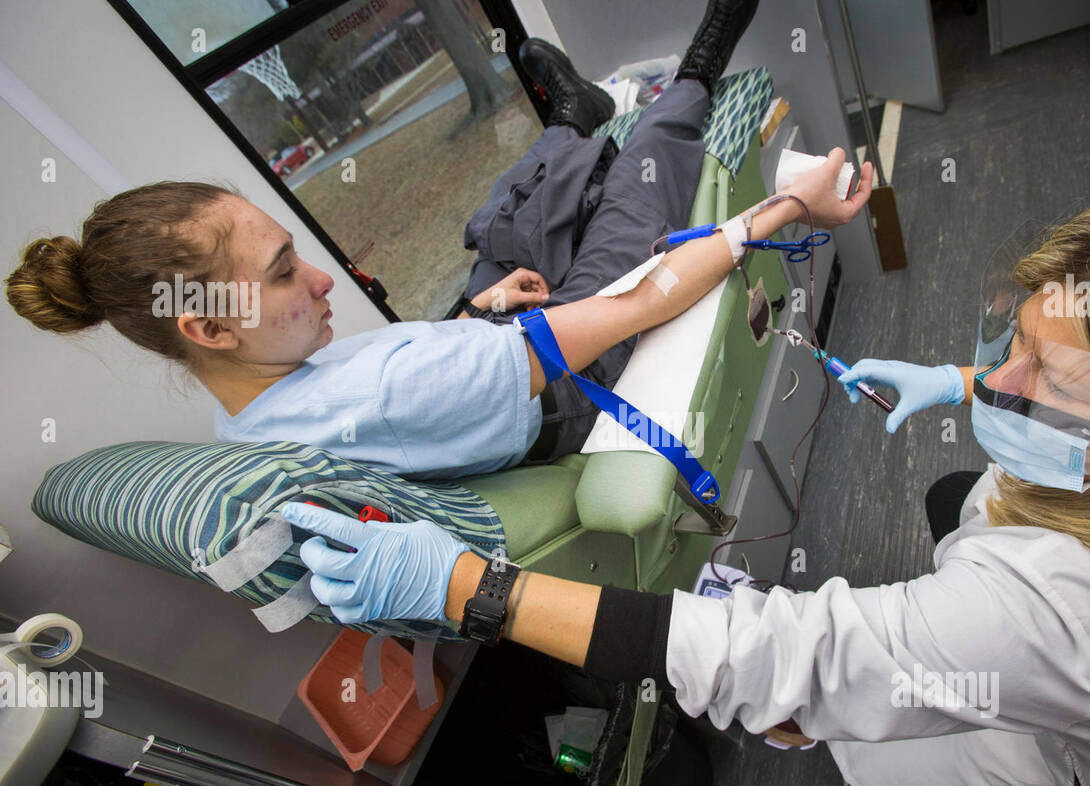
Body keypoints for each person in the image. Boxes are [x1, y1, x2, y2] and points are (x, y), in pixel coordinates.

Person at [281, 153, 1090, 786]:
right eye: (1017, 343)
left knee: (857, 752)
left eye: (1053, 379)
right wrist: (956, 382)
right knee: (958, 495)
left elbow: (777, 660)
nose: (1003, 379)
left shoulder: (1075, 613)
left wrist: (473, 588)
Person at [6, 0, 779, 481]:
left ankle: (574, 117)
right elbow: (638, 305)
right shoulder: (373, 395)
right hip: (567, 392)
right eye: (283, 273)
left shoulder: (247, 408)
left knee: (501, 227)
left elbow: (417, 391)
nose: (321, 281)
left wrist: (479, 314)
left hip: (486, 366)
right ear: (207, 325)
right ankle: (698, 72)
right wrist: (768, 218)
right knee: (627, 216)